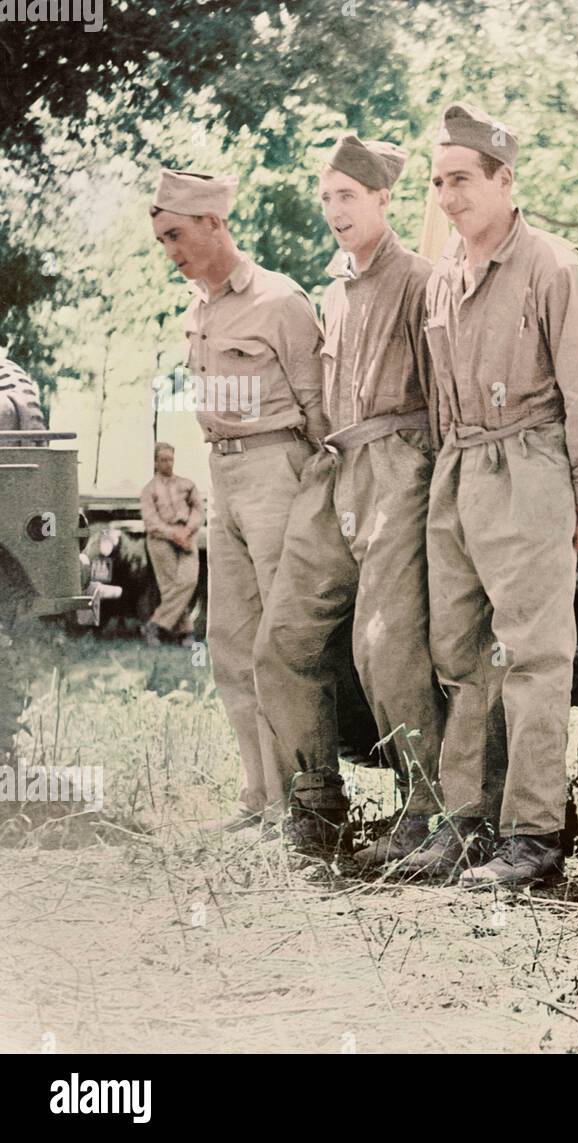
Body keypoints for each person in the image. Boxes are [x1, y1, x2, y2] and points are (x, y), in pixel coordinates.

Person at [398, 101, 578, 887]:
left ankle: (533, 837)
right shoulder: (441, 282)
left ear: (504, 179)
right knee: (460, 656)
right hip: (458, 472)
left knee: (532, 655)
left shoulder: (555, 268)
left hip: (529, 470)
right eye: (437, 182)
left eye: (462, 179)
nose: (448, 196)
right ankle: (464, 821)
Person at [252, 134, 446, 858]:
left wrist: (438, 486)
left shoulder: (423, 280)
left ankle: (429, 807)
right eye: (327, 197)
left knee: (386, 646)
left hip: (403, 465)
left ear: (383, 199)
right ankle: (317, 797)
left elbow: (446, 398)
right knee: (283, 639)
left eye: (348, 196)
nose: (336, 210)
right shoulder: (332, 290)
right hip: (337, 471)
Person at [151, 168, 328, 834]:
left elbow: (321, 411)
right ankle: (264, 794)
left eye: (177, 234)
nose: (171, 250)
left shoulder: (280, 300)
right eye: (162, 239)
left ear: (213, 223)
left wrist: (314, 494)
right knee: (230, 641)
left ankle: (312, 799)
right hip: (222, 479)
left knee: (290, 642)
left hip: (279, 471)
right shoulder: (196, 309)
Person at [139, 441, 203, 647]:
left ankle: (154, 625)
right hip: (161, 539)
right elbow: (150, 520)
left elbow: (198, 510)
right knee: (170, 588)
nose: (168, 464)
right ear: (156, 462)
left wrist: (187, 530)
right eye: (163, 460)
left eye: (171, 459)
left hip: (187, 535)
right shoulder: (149, 490)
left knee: (188, 581)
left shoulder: (187, 484)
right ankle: (186, 633)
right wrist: (173, 534)